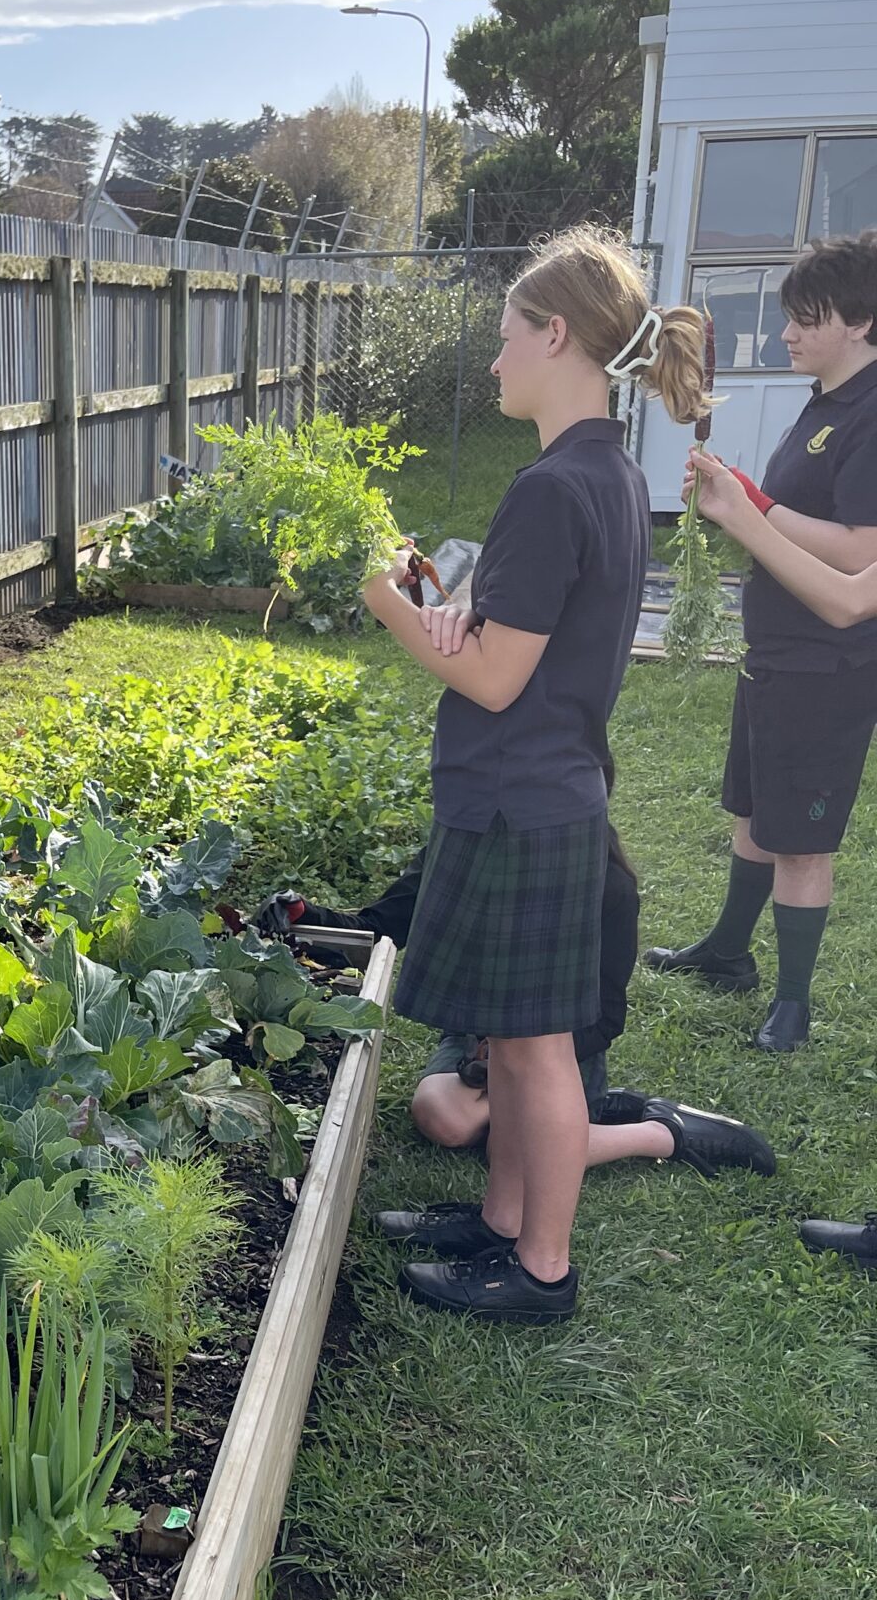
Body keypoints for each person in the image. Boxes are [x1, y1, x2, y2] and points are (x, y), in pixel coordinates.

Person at [359, 228, 709, 1323]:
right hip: (544, 791)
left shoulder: (553, 488)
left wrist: (391, 607)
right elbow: (526, 636)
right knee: (512, 1036)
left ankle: (541, 1268)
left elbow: (501, 680)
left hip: (522, 798)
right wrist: (461, 610)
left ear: (557, 334)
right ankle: (503, 1220)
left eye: (508, 338)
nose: (498, 361)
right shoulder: (606, 475)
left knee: (539, 1048)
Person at [644, 231, 877, 1053]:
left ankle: (793, 1005)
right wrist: (738, 493)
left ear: (860, 320)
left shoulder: (872, 412)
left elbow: (858, 551)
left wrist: (755, 510)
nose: (786, 335)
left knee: (801, 838)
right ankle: (729, 952)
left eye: (804, 319)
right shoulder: (825, 403)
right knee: (752, 809)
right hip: (776, 652)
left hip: (830, 666)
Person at [374, 824, 775, 1212]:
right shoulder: (465, 844)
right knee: (442, 1116)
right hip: (477, 1036)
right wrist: (311, 913)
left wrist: (514, 1051)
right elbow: (380, 924)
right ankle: (582, 1114)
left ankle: (663, 1133)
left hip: (559, 1043)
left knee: (515, 1151)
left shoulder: (607, 885)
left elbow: (605, 1018)